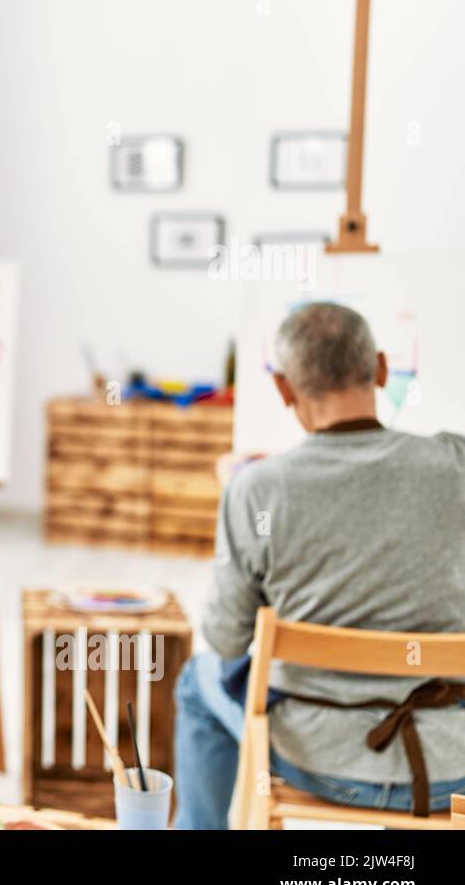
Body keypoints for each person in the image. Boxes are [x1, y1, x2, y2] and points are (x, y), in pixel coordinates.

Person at [174, 301, 465, 829]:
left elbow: (226, 639)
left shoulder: (258, 490)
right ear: (380, 367)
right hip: (453, 764)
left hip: (317, 761)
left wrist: (240, 501)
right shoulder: (455, 464)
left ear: (285, 389)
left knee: (198, 680)